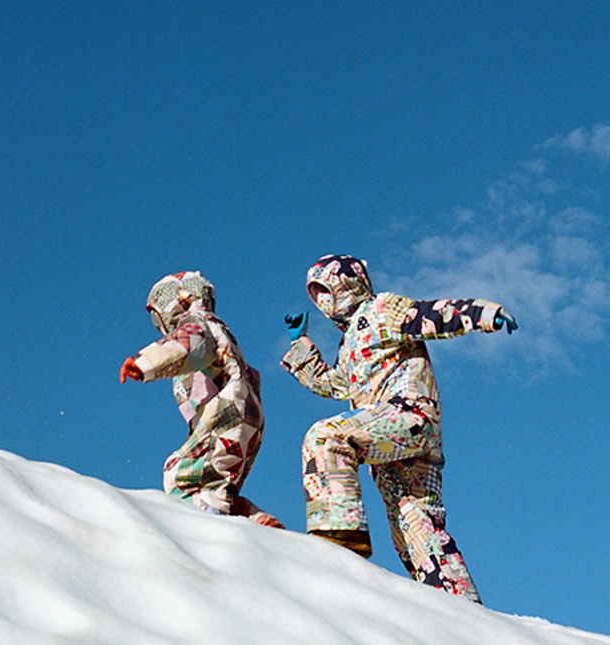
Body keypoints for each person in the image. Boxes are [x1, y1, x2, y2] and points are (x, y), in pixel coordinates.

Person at [280, 254, 516, 603]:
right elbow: (335, 385)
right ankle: (460, 608)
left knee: (326, 437)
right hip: (387, 442)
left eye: (327, 291)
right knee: (414, 521)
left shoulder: (380, 310)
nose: (324, 304)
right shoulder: (349, 343)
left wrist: (483, 313)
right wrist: (301, 345)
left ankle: (338, 533)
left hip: (408, 415)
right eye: (318, 297)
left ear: (346, 283)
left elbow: (430, 316)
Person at [120, 271, 281, 528]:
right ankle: (252, 518)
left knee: (181, 475)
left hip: (225, 414)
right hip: (246, 419)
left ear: (176, 301)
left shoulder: (195, 320)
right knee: (215, 480)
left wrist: (145, 363)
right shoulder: (219, 327)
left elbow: (189, 344)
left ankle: (209, 530)